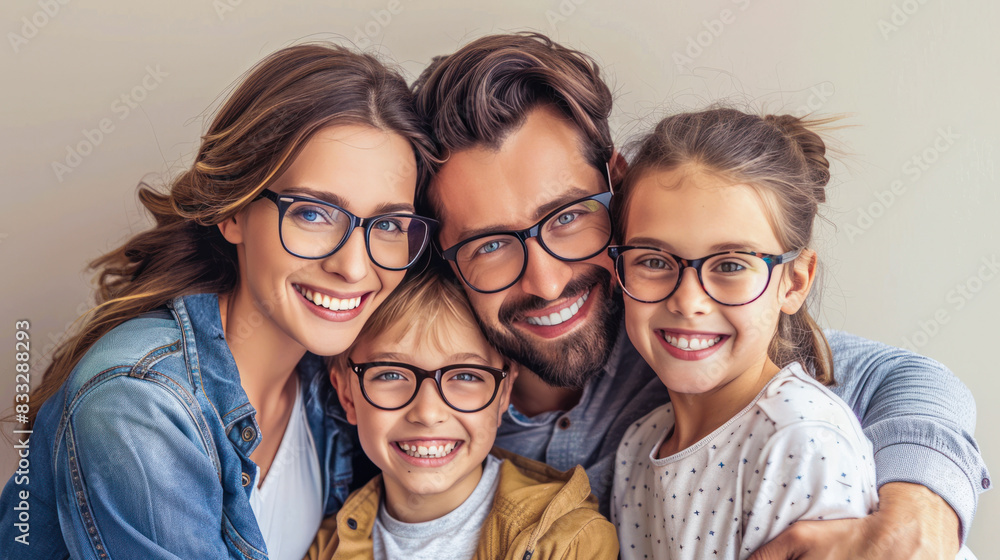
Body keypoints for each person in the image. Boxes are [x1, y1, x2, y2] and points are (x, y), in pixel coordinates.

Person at [411, 32, 990, 558]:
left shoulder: (694, 348)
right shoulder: (414, 405)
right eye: (489, 245)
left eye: (566, 217)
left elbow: (908, 380)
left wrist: (922, 511)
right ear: (441, 253)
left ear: (618, 183)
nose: (545, 281)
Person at [0, 44, 438, 559]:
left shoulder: (334, 383)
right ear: (233, 213)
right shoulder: (139, 409)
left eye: (386, 225)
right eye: (314, 214)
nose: (355, 267)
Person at [606, 108, 976, 559]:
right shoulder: (637, 448)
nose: (688, 301)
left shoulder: (802, 441)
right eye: (654, 261)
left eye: (730, 266)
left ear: (794, 282)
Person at [308, 270, 618, 559]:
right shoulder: (324, 547)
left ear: (503, 395)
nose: (428, 413)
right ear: (347, 394)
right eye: (390, 375)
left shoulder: (566, 540)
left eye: (466, 376)